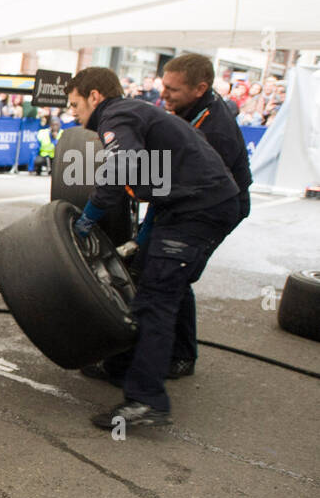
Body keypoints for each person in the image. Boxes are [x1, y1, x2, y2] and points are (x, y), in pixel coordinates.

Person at [68, 67, 240, 430]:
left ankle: (147, 400)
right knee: (150, 279)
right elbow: (162, 180)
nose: (73, 113)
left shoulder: (116, 115)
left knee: (155, 300)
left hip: (197, 210)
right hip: (191, 205)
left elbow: (123, 164)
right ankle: (125, 367)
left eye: (75, 104)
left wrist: (89, 216)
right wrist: (141, 241)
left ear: (95, 97)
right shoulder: (138, 113)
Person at [153, 52, 252, 379]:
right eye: (163, 86)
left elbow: (197, 187)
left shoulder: (215, 129)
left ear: (200, 89)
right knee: (170, 272)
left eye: (173, 90)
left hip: (219, 206)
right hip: (194, 199)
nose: (163, 95)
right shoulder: (188, 109)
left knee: (175, 274)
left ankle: (181, 357)